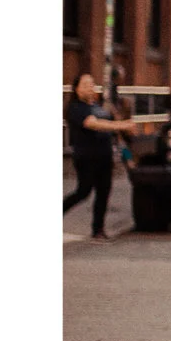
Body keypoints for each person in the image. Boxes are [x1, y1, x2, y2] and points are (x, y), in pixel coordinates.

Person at [62, 72, 141, 239]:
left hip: (104, 157)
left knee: (104, 192)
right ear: (76, 89)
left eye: (91, 84)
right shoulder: (76, 108)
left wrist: (128, 154)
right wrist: (122, 125)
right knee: (83, 191)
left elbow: (115, 134)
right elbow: (94, 124)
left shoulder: (99, 106)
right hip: (86, 157)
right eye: (84, 85)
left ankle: (98, 230)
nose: (89, 88)